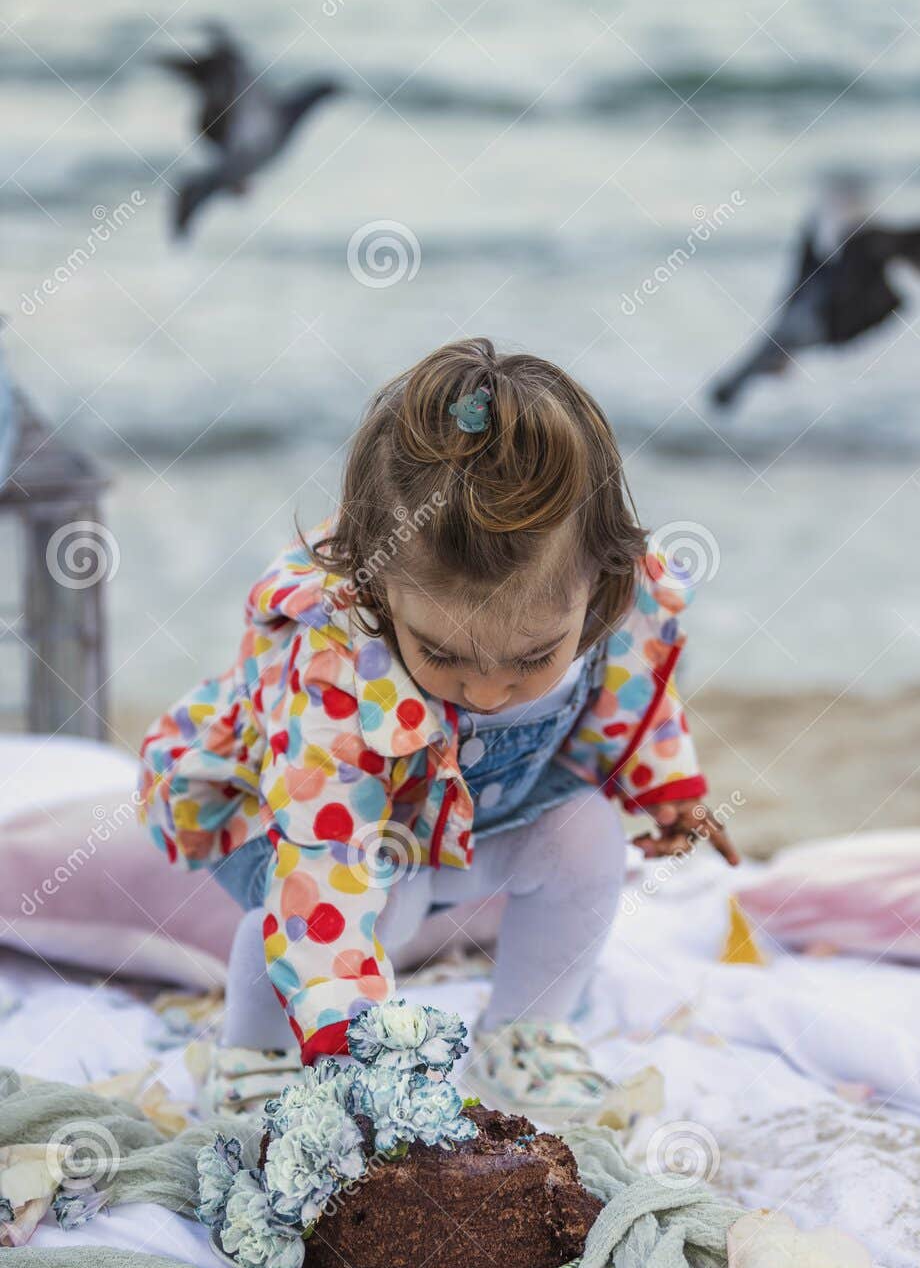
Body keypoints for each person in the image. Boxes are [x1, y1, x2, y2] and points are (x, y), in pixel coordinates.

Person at [140, 339, 737, 1123]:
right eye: (443, 655)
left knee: (587, 832)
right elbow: (323, 870)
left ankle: (524, 1036)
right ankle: (259, 1054)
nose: (487, 690)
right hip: (300, 831)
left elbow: (635, 699)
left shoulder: (621, 608)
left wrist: (667, 793)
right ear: (374, 582)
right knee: (388, 889)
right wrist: (344, 1044)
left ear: (603, 582)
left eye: (532, 657)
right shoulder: (337, 669)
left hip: (455, 820)